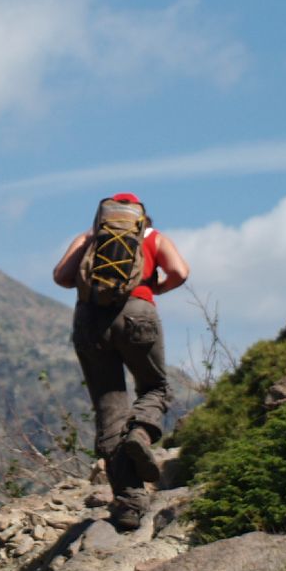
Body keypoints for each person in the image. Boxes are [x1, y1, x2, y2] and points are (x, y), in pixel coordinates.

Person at [52, 193, 190, 531]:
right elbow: (180, 272)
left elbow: (61, 277)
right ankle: (141, 433)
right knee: (155, 387)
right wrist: (155, 288)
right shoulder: (153, 237)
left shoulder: (89, 238)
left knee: (109, 407)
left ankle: (129, 504)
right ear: (140, 218)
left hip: (90, 320)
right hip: (138, 312)